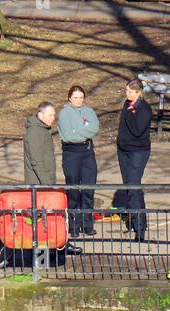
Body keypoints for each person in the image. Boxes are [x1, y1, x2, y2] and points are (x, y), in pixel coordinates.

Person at [58, 84, 99, 236]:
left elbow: (94, 128)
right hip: (71, 154)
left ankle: (87, 224)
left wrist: (79, 130)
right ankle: (74, 225)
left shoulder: (89, 111)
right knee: (73, 190)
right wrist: (84, 131)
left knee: (88, 189)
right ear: (70, 98)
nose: (78, 100)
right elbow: (69, 135)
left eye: (81, 97)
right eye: (75, 97)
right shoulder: (64, 113)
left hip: (87, 153)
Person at [114, 78, 152, 242]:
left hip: (138, 151)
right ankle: (138, 221)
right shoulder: (127, 105)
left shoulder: (143, 109)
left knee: (133, 185)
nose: (127, 94)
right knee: (130, 187)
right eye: (126, 91)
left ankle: (139, 228)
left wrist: (131, 113)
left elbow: (137, 130)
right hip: (124, 150)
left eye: (130, 91)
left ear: (138, 92)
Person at [23, 102, 57, 187]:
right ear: (40, 115)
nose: (53, 118)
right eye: (50, 115)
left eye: (54, 115)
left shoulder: (43, 129)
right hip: (39, 184)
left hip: (45, 181)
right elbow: (36, 161)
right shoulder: (35, 132)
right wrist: (47, 184)